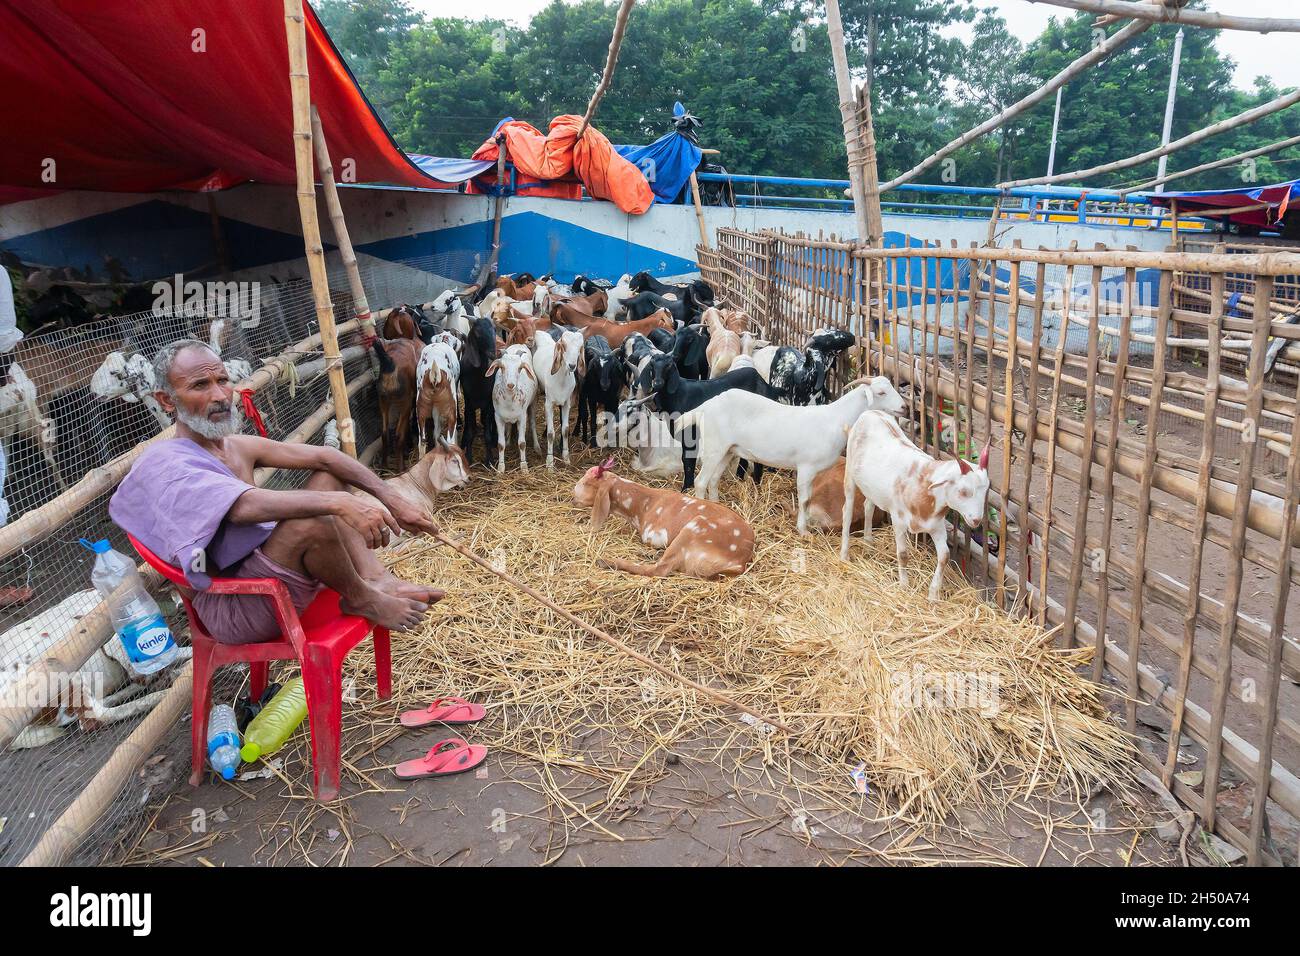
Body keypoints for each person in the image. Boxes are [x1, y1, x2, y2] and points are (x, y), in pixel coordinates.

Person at [110, 338, 441, 644]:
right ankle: (362, 598)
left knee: (329, 478)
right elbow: (241, 507)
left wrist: (393, 498)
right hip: (236, 604)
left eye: (222, 381)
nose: (220, 395)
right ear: (167, 400)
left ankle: (376, 577)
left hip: (273, 572)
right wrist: (339, 504)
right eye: (200, 385)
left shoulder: (235, 446)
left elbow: (325, 456)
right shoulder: (168, 463)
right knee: (313, 520)